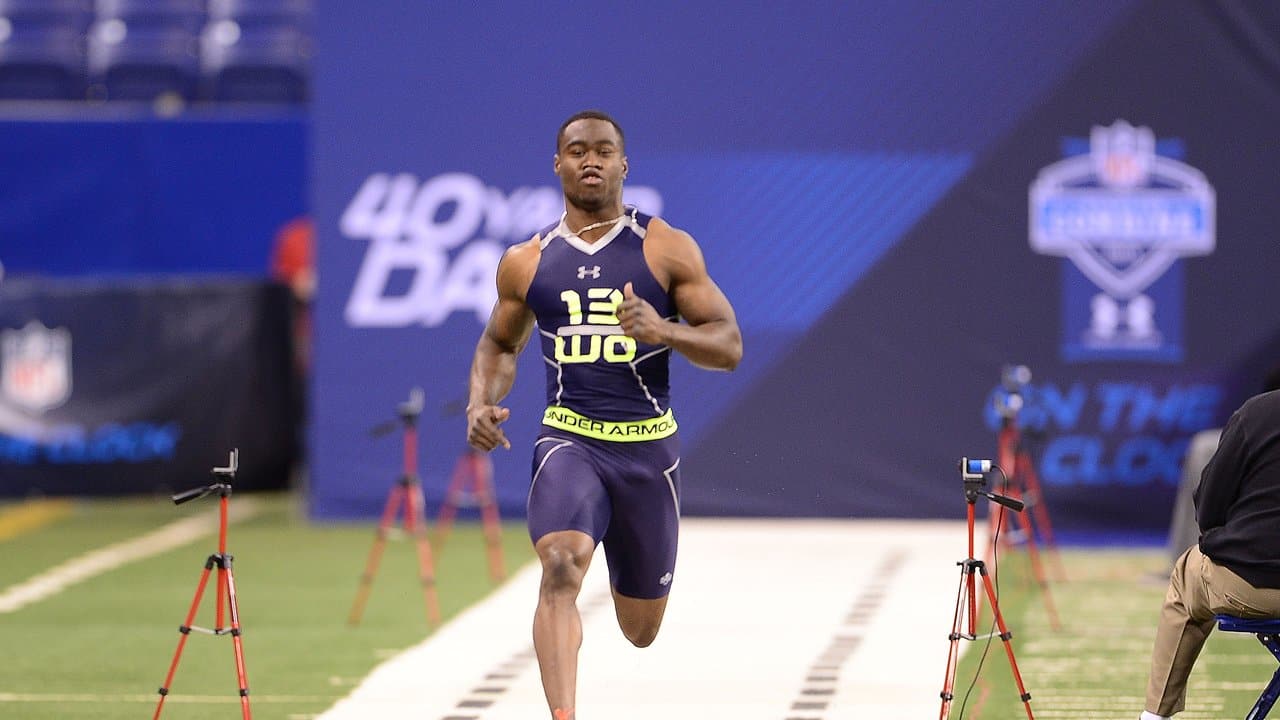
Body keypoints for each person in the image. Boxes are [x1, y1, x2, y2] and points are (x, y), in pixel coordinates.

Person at [465, 109, 742, 720]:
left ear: (623, 164)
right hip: (570, 439)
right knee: (561, 565)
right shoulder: (528, 260)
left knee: (640, 629)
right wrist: (481, 399)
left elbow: (729, 346)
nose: (590, 160)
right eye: (577, 150)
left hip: (648, 451)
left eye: (603, 150)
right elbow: (499, 344)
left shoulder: (665, 247)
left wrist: (663, 330)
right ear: (558, 164)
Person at [1140, 386, 1280, 719]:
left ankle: (1154, 715)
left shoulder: (1256, 413)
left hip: (1250, 585)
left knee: (1185, 572)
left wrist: (1225, 539)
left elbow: (1210, 506)